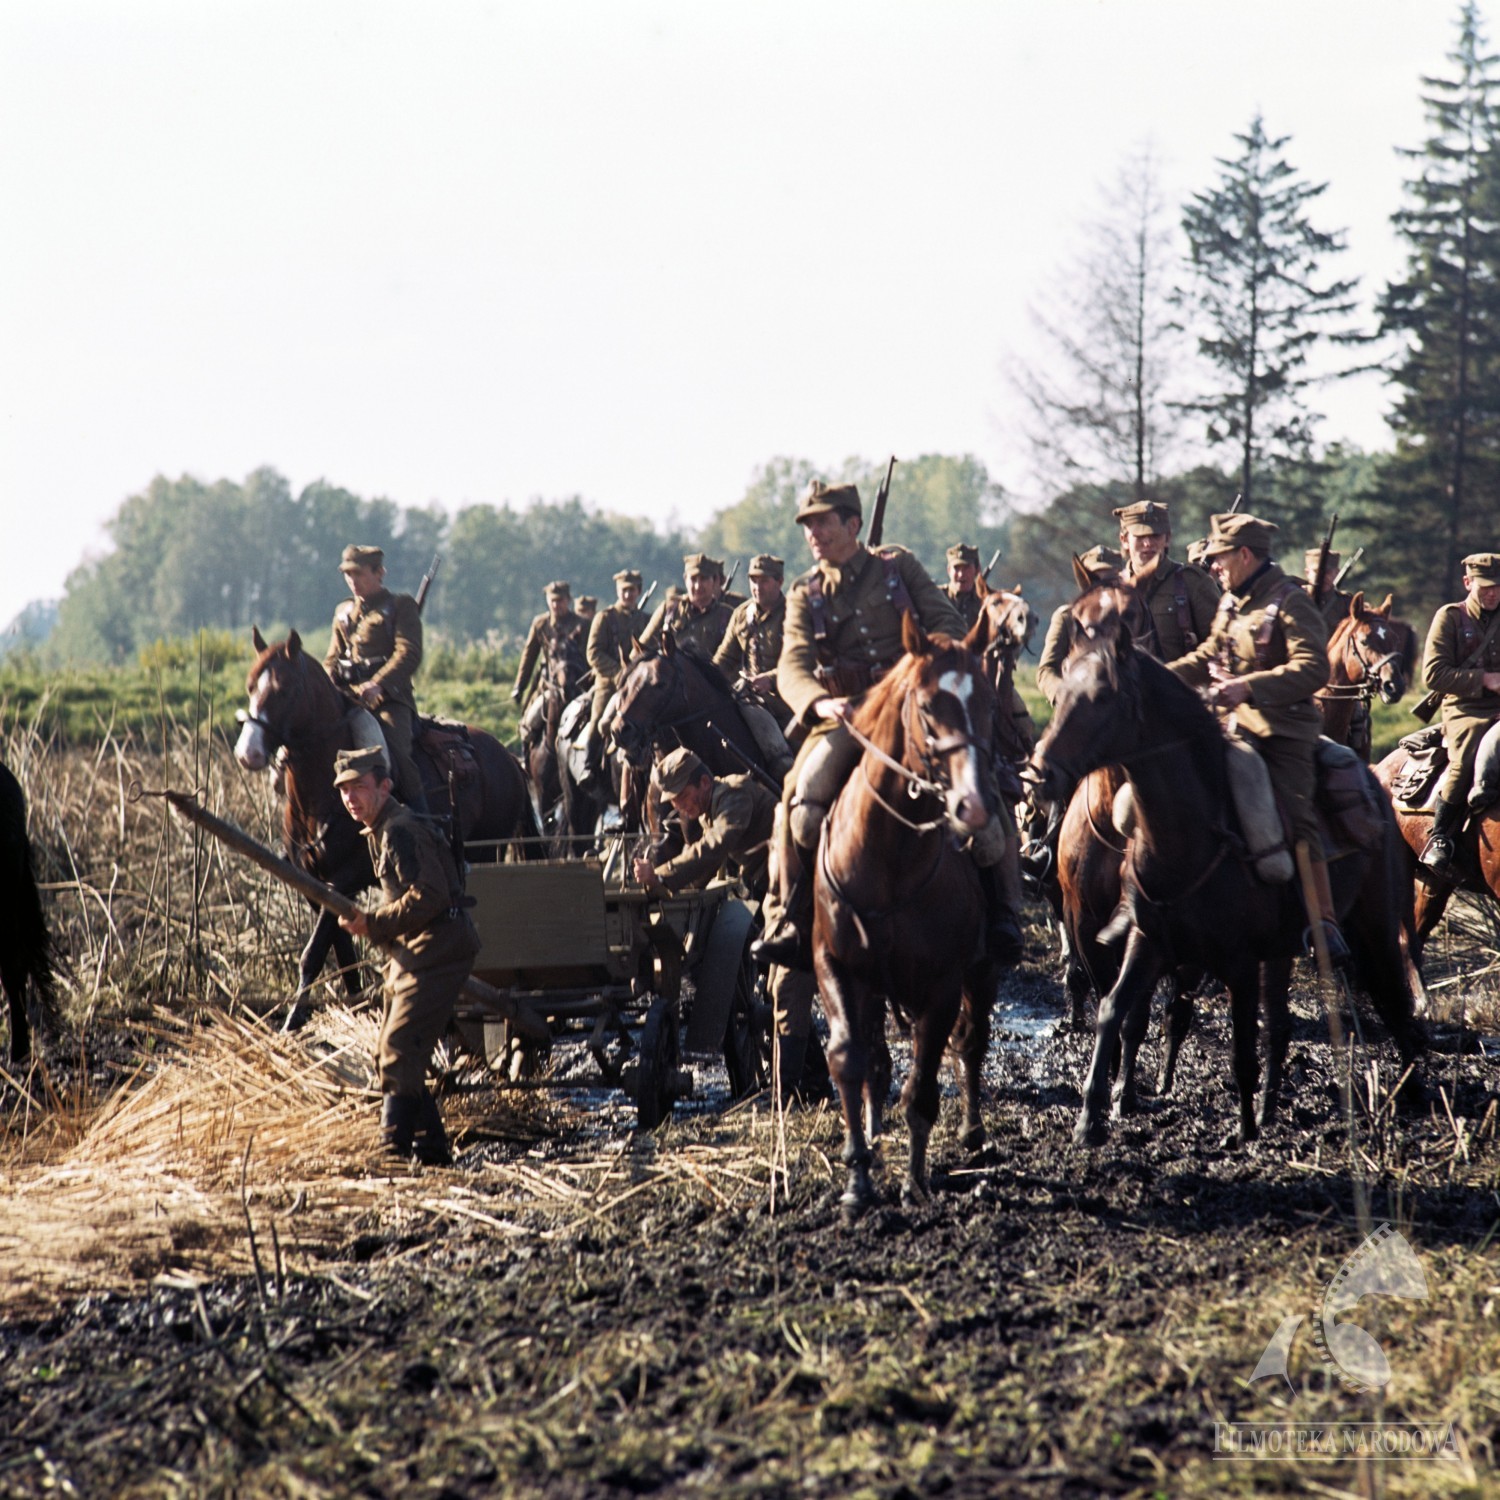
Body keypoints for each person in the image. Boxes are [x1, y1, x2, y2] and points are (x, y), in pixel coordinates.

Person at [752, 480, 1022, 968]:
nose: (813, 532)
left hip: (911, 708)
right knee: (798, 798)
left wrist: (918, 676)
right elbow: (792, 664)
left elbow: (949, 626)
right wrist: (818, 704)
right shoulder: (804, 592)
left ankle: (1005, 913)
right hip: (847, 717)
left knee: (984, 800)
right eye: (808, 524)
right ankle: (788, 919)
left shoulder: (899, 568)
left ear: (852, 525)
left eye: (822, 522)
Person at [1167, 512, 1348, 966]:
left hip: (1283, 732)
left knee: (1297, 815)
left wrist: (1249, 687)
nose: (1215, 566)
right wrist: (1157, 677)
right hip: (1231, 727)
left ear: (1245, 555)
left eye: (1221, 558)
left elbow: (1314, 669)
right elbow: (1209, 652)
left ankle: (1321, 922)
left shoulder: (1290, 601)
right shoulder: (1231, 601)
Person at [333, 746, 480, 1166]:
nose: (350, 799)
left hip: (439, 945)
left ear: (385, 786)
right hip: (414, 947)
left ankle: (391, 1157)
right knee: (390, 1055)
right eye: (344, 791)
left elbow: (430, 896)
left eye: (359, 788)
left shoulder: (400, 830)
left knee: (398, 1047)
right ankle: (432, 1152)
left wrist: (373, 922)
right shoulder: (380, 829)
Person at [325, 544, 429, 814]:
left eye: (359, 574)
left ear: (379, 572)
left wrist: (378, 683)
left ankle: (423, 822)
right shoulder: (343, 612)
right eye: (347, 575)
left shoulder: (400, 606)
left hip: (389, 701)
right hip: (349, 700)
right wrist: (328, 688)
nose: (352, 581)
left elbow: (409, 652)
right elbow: (331, 660)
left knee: (396, 754)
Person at [1417, 551, 1500, 873]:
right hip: (1466, 707)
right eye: (1485, 587)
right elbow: (1434, 675)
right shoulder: (1451, 617)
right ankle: (1441, 836)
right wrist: (1486, 680)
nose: (1493, 593)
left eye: (1498, 587)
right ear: (1468, 583)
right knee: (1464, 759)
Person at [1114, 500, 1220, 662]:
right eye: (1140, 536)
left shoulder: (1192, 582)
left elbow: (1218, 644)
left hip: (1180, 683)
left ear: (1167, 538)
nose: (1148, 543)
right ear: (1124, 540)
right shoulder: (1113, 590)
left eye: (1155, 535)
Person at [1035, 545, 1128, 706]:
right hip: (1081, 710)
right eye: (1095, 581)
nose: (1102, 588)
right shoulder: (1067, 617)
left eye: (1110, 581)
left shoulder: (1129, 616)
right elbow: (1046, 671)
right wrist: (1067, 694)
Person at [714, 553, 792, 727]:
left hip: (788, 703)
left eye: (764, 581)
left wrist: (771, 679)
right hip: (749, 700)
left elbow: (802, 662)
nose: (757, 587)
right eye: (753, 581)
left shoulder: (793, 614)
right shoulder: (741, 614)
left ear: (779, 582)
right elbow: (725, 659)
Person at [586, 569, 648, 754]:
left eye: (632, 590)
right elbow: (593, 652)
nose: (628, 594)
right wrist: (618, 673)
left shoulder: (647, 620)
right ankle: (589, 764)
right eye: (624, 590)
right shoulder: (604, 617)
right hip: (609, 683)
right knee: (598, 721)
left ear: (639, 591)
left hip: (639, 685)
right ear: (617, 591)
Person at [640, 553, 735, 658]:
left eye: (704, 579)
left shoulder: (727, 616)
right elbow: (640, 648)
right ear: (685, 580)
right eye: (693, 579)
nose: (698, 586)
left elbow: (734, 659)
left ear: (714, 581)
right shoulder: (669, 609)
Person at [512, 580, 587, 708]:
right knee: (531, 720)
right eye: (552, 601)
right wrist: (520, 686)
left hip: (578, 683)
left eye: (559, 600)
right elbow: (529, 657)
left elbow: (588, 657)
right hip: (547, 684)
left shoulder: (581, 624)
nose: (555, 605)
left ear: (568, 599)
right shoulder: (540, 624)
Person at [1302, 547, 1355, 634]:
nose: (1323, 577)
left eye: (1328, 572)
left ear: (1336, 573)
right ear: (1307, 573)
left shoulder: (1346, 604)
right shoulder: (1296, 598)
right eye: (1317, 571)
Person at [943, 542, 987, 629]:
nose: (961, 574)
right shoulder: (937, 597)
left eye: (966, 568)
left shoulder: (985, 600)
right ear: (948, 570)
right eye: (956, 568)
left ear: (977, 570)